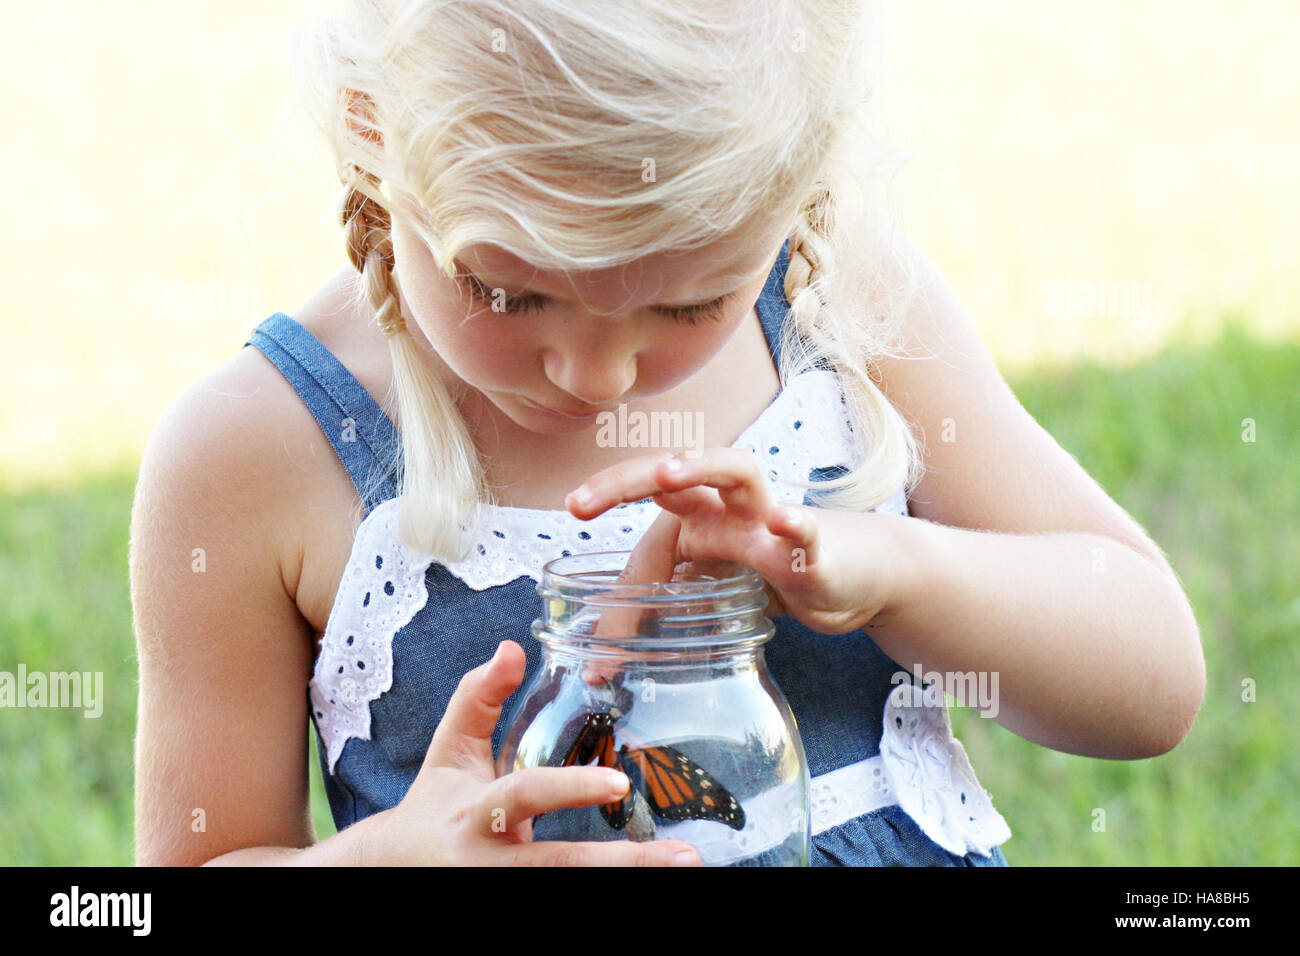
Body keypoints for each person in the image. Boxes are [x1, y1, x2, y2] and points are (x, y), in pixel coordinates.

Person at [129, 0, 1205, 866]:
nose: (593, 374)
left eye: (689, 303)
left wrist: (891, 568)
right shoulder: (256, 449)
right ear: (372, 130)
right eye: (505, 292)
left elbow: (1150, 678)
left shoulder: (844, 313)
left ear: (799, 192)